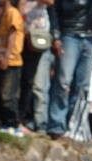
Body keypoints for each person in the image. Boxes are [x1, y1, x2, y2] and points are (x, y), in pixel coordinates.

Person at [48, 0, 92, 139]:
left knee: (83, 86)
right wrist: (56, 37)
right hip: (69, 34)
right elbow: (54, 11)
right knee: (63, 81)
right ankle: (57, 126)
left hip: (90, 36)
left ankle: (75, 126)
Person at [0, 0, 25, 133]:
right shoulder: (1, 14)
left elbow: (12, 36)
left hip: (11, 61)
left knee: (8, 94)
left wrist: (7, 56)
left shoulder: (13, 13)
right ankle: (3, 121)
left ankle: (12, 124)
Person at [19, 0, 54, 133]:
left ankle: (41, 125)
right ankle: (21, 119)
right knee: (24, 81)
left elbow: (50, 1)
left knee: (39, 85)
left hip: (39, 38)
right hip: (22, 34)